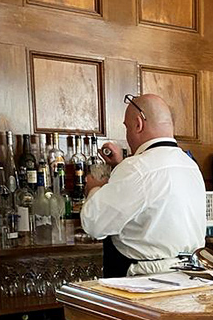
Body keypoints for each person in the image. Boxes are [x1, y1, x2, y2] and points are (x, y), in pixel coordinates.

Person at [81, 93, 206, 278]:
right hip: (189, 275)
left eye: (127, 127)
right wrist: (120, 166)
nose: (128, 134)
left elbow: (94, 224)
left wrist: (93, 188)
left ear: (138, 124)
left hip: (146, 282)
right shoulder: (189, 164)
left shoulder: (136, 168)